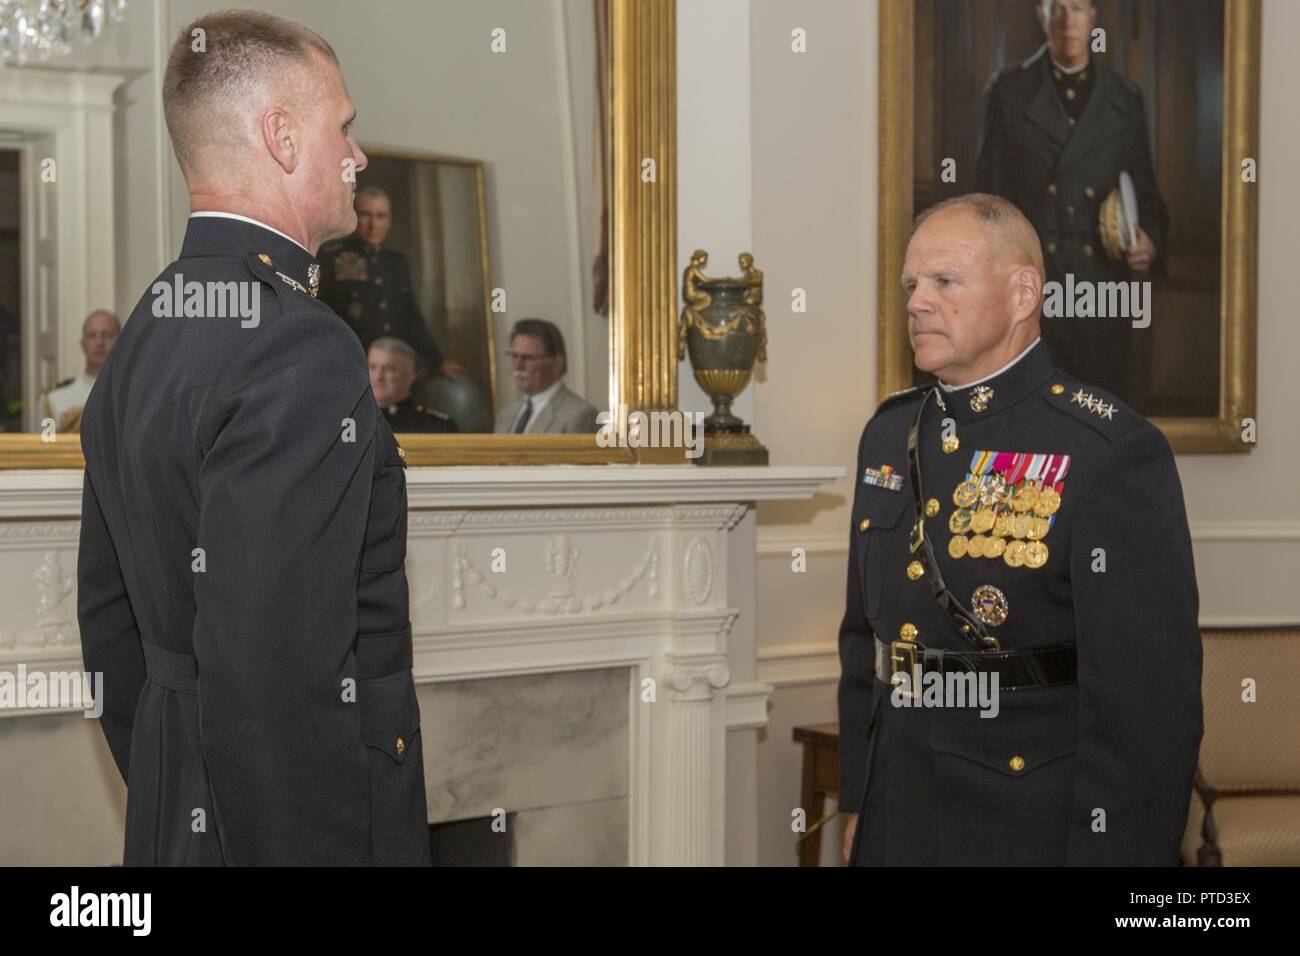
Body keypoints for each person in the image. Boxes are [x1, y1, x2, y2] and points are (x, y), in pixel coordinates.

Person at [77, 9, 430, 866]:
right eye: (342, 126)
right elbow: (280, 682)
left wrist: (179, 772)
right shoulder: (299, 346)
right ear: (280, 136)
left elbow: (111, 634)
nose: (359, 153)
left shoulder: (145, 333)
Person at [838, 194, 1201, 866]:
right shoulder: (890, 435)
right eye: (911, 285)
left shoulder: (1105, 449)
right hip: (898, 812)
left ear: (1023, 292)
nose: (917, 301)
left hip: (1023, 823)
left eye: (944, 282)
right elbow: (867, 643)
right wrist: (858, 798)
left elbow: (1146, 709)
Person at [973, 0, 1169, 406]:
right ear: (1041, 16)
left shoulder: (1125, 100)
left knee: (1095, 423)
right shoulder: (1008, 92)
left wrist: (1149, 242)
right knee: (1026, 420)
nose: (1067, 21)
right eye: (1056, 8)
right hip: (1029, 289)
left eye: (1077, 8)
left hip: (1099, 293)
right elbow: (985, 203)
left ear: (1092, 17)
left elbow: (1148, 202)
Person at [318, 185, 460, 379]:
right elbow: (320, 316)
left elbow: (411, 317)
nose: (373, 225)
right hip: (350, 366)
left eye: (381, 216)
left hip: (394, 369)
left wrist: (438, 360)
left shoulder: (396, 262)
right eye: (366, 215)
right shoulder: (332, 256)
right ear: (353, 215)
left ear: (389, 221)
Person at [494, 318, 598, 434]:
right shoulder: (505, 415)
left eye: (528, 358)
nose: (518, 365)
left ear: (557, 363)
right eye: (514, 356)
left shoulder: (581, 415)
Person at [41, 310, 119, 433]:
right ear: (83, 344)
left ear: (121, 342)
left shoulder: (135, 395)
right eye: (92, 336)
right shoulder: (54, 398)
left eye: (107, 335)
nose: (99, 343)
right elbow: (43, 449)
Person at [369, 337, 457, 433]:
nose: (378, 377)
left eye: (389, 368)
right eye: (372, 367)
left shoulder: (437, 428)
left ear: (409, 376)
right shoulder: (353, 423)